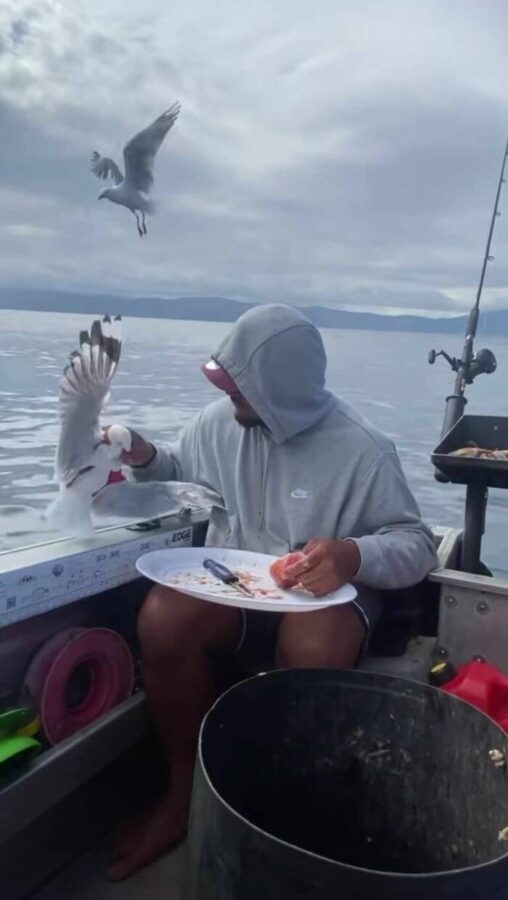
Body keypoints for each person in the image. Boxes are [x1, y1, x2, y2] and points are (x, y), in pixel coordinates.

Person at [107, 304, 437, 880]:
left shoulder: (365, 449)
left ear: (279, 389)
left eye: (241, 389)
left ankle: (282, 804)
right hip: (238, 588)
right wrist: (145, 457)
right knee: (163, 617)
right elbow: (180, 472)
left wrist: (353, 554)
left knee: (312, 644)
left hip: (325, 601)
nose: (228, 398)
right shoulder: (218, 422)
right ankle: (184, 793)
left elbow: (416, 542)